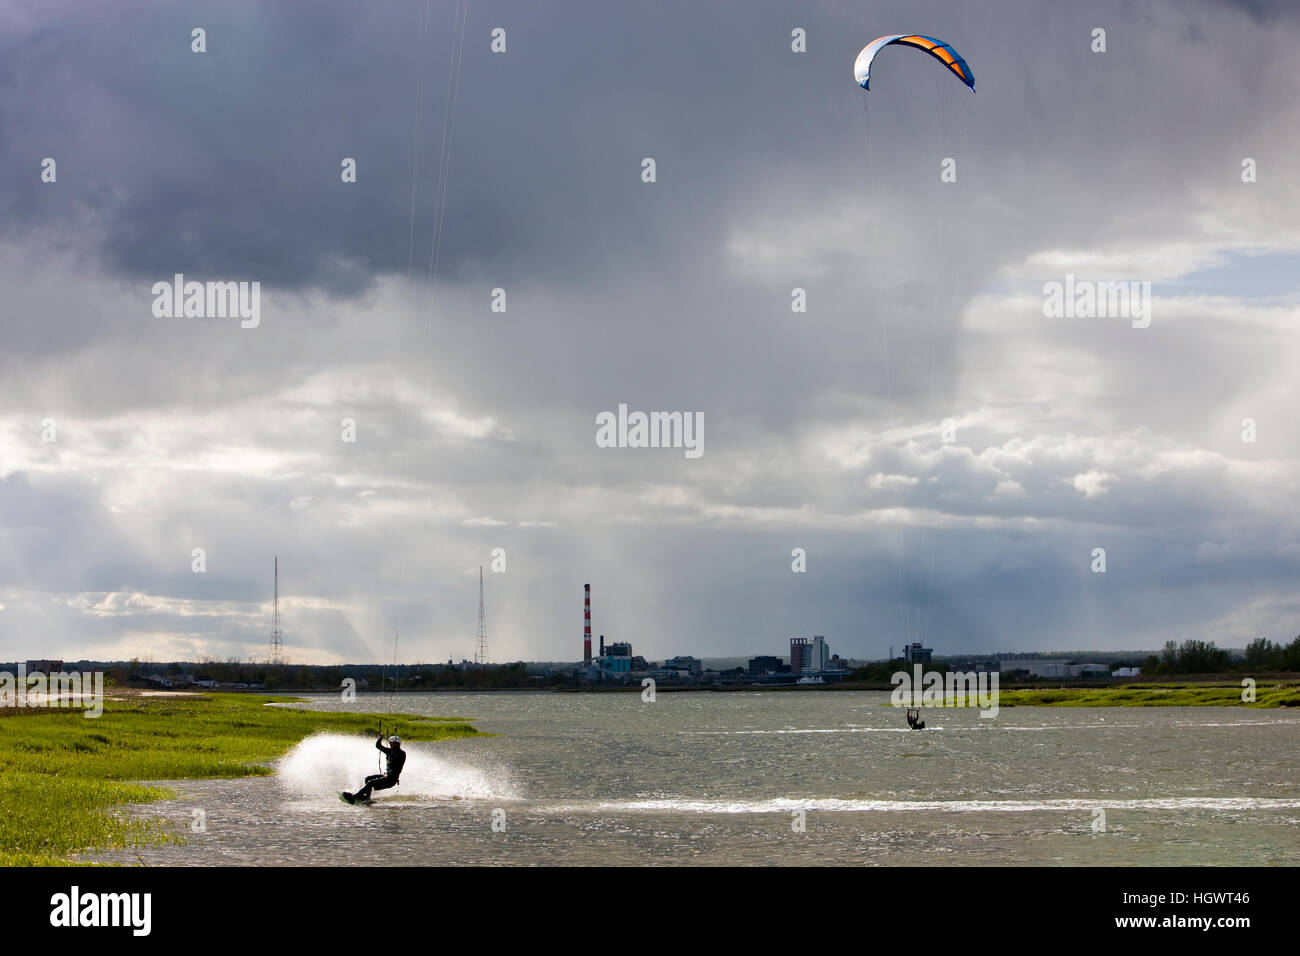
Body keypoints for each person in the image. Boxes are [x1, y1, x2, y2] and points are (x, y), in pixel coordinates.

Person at [343, 735, 406, 803]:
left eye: (392, 744)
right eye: (390, 744)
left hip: (391, 780)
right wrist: (380, 738)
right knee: (368, 779)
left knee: (371, 783)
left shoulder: (401, 754)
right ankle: (366, 798)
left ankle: (354, 797)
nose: (390, 745)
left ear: (397, 744)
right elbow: (378, 746)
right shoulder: (389, 751)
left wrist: (394, 746)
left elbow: (397, 756)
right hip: (386, 776)